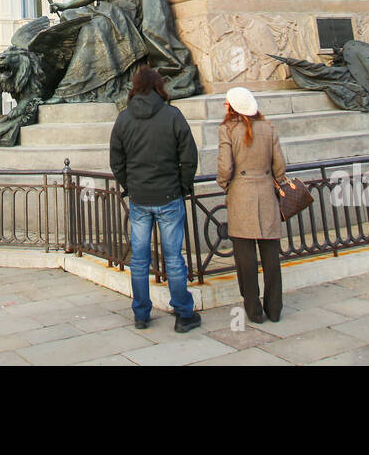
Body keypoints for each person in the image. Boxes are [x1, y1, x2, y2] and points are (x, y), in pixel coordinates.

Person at [108, 66, 201, 333]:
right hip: (169, 195)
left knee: (139, 259)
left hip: (139, 198)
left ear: (135, 88)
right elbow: (189, 156)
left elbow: (116, 160)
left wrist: (130, 185)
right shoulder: (173, 115)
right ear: (160, 86)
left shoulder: (124, 119)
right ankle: (183, 314)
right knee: (173, 258)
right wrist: (182, 186)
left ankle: (141, 314)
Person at [217, 87, 286, 323]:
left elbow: (225, 167)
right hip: (266, 191)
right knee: (271, 255)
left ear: (233, 107)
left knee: (245, 258)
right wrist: (271, 180)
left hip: (241, 193)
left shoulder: (228, 129)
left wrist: (226, 185)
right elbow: (280, 166)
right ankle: (275, 308)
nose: (225, 106)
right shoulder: (268, 128)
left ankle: (253, 309)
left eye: (227, 103)